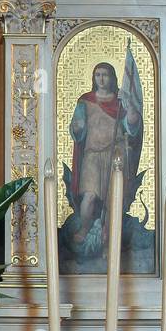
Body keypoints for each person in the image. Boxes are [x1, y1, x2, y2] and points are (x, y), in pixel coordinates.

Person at [69, 61, 142, 243]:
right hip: (92, 154)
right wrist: (77, 127)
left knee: (113, 198)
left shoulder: (120, 102)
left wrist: (132, 115)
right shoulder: (85, 101)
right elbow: (77, 128)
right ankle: (85, 229)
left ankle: (108, 234)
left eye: (105, 75)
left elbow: (131, 127)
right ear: (94, 78)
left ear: (112, 78)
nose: (101, 79)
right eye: (98, 75)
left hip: (116, 154)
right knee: (90, 196)